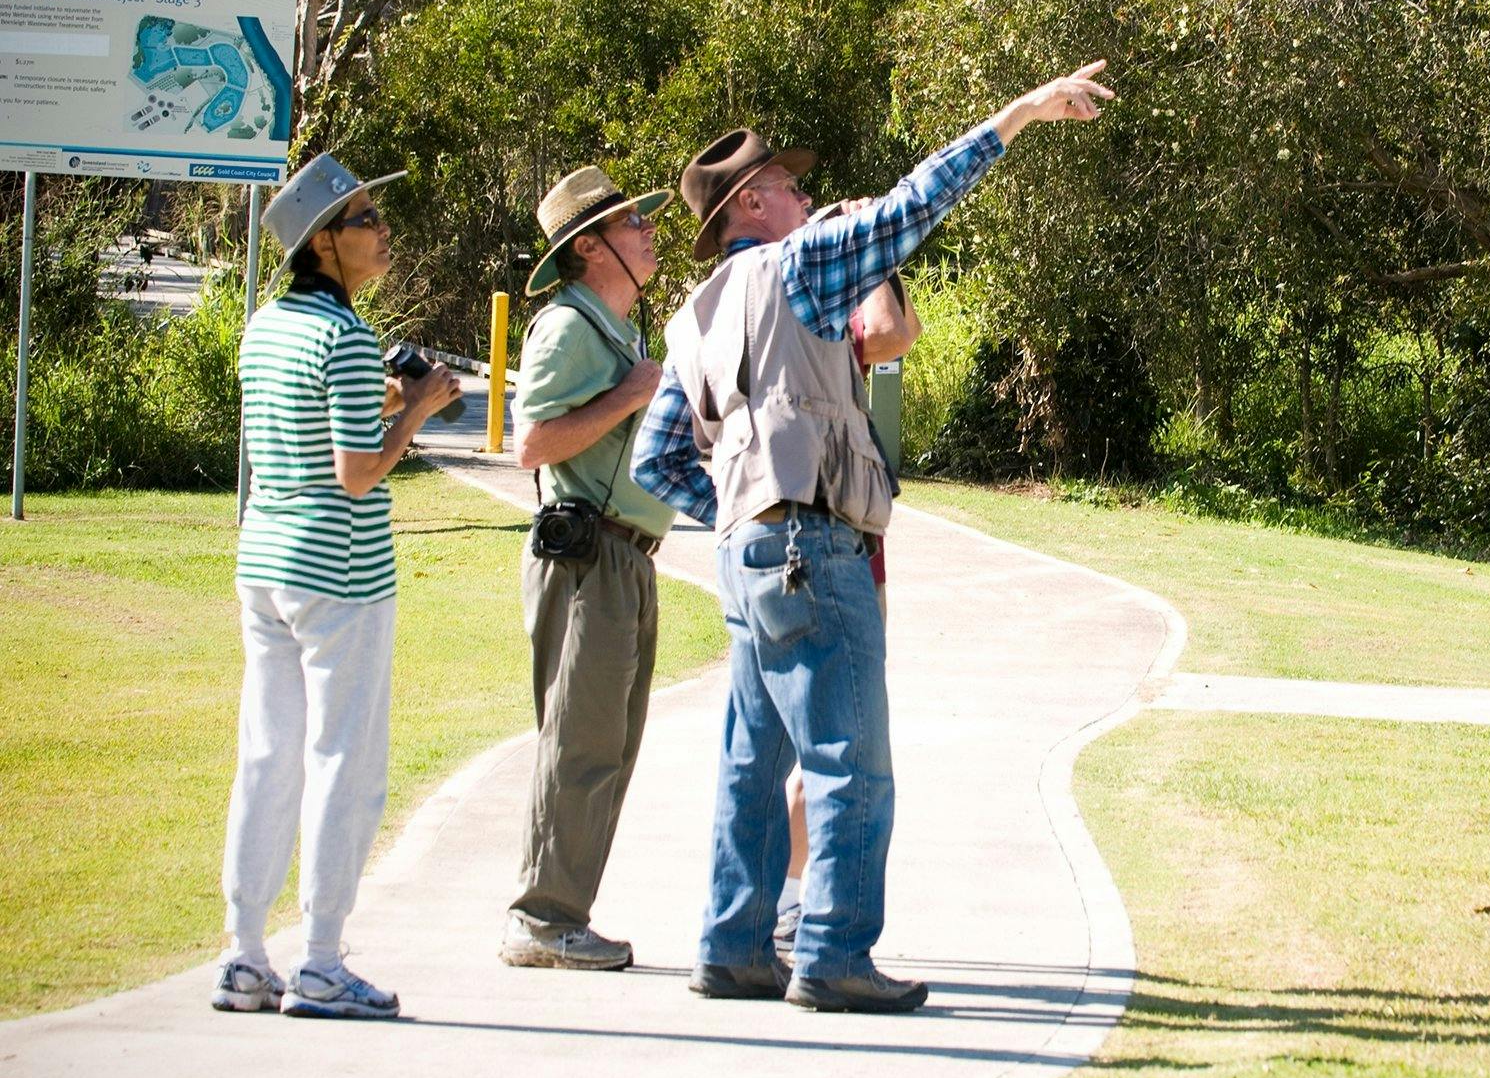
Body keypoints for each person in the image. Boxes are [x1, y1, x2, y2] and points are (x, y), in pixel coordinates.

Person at [634, 62, 1111, 1014]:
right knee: (852, 760)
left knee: (751, 761)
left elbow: (657, 461)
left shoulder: (692, 315)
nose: (809, 197)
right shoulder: (797, 262)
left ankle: (735, 948)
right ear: (756, 200)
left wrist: (740, 506)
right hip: (816, 548)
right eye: (794, 185)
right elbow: (912, 206)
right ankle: (835, 956)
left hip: (747, 558)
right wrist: (1020, 113)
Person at [214, 153, 462, 1021]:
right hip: (341, 572)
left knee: (268, 756)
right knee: (343, 764)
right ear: (324, 243)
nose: (380, 231)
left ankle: (244, 954)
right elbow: (358, 472)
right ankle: (321, 959)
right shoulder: (346, 337)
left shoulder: (264, 328)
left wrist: (390, 401)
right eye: (363, 219)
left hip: (267, 561)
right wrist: (421, 408)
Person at [499, 167, 675, 971]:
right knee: (581, 742)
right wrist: (632, 394)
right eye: (632, 224)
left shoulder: (615, 330)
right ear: (592, 248)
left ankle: (563, 914)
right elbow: (530, 444)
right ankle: (543, 919)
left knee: (609, 743)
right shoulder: (568, 328)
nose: (647, 232)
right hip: (588, 559)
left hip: (625, 559)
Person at [776, 249, 919, 957]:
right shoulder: (812, 309)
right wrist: (873, 252)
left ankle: (786, 900)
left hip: (846, 530)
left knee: (814, 731)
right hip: (829, 539)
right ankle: (794, 903)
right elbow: (891, 335)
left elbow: (902, 328)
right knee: (835, 730)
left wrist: (875, 260)